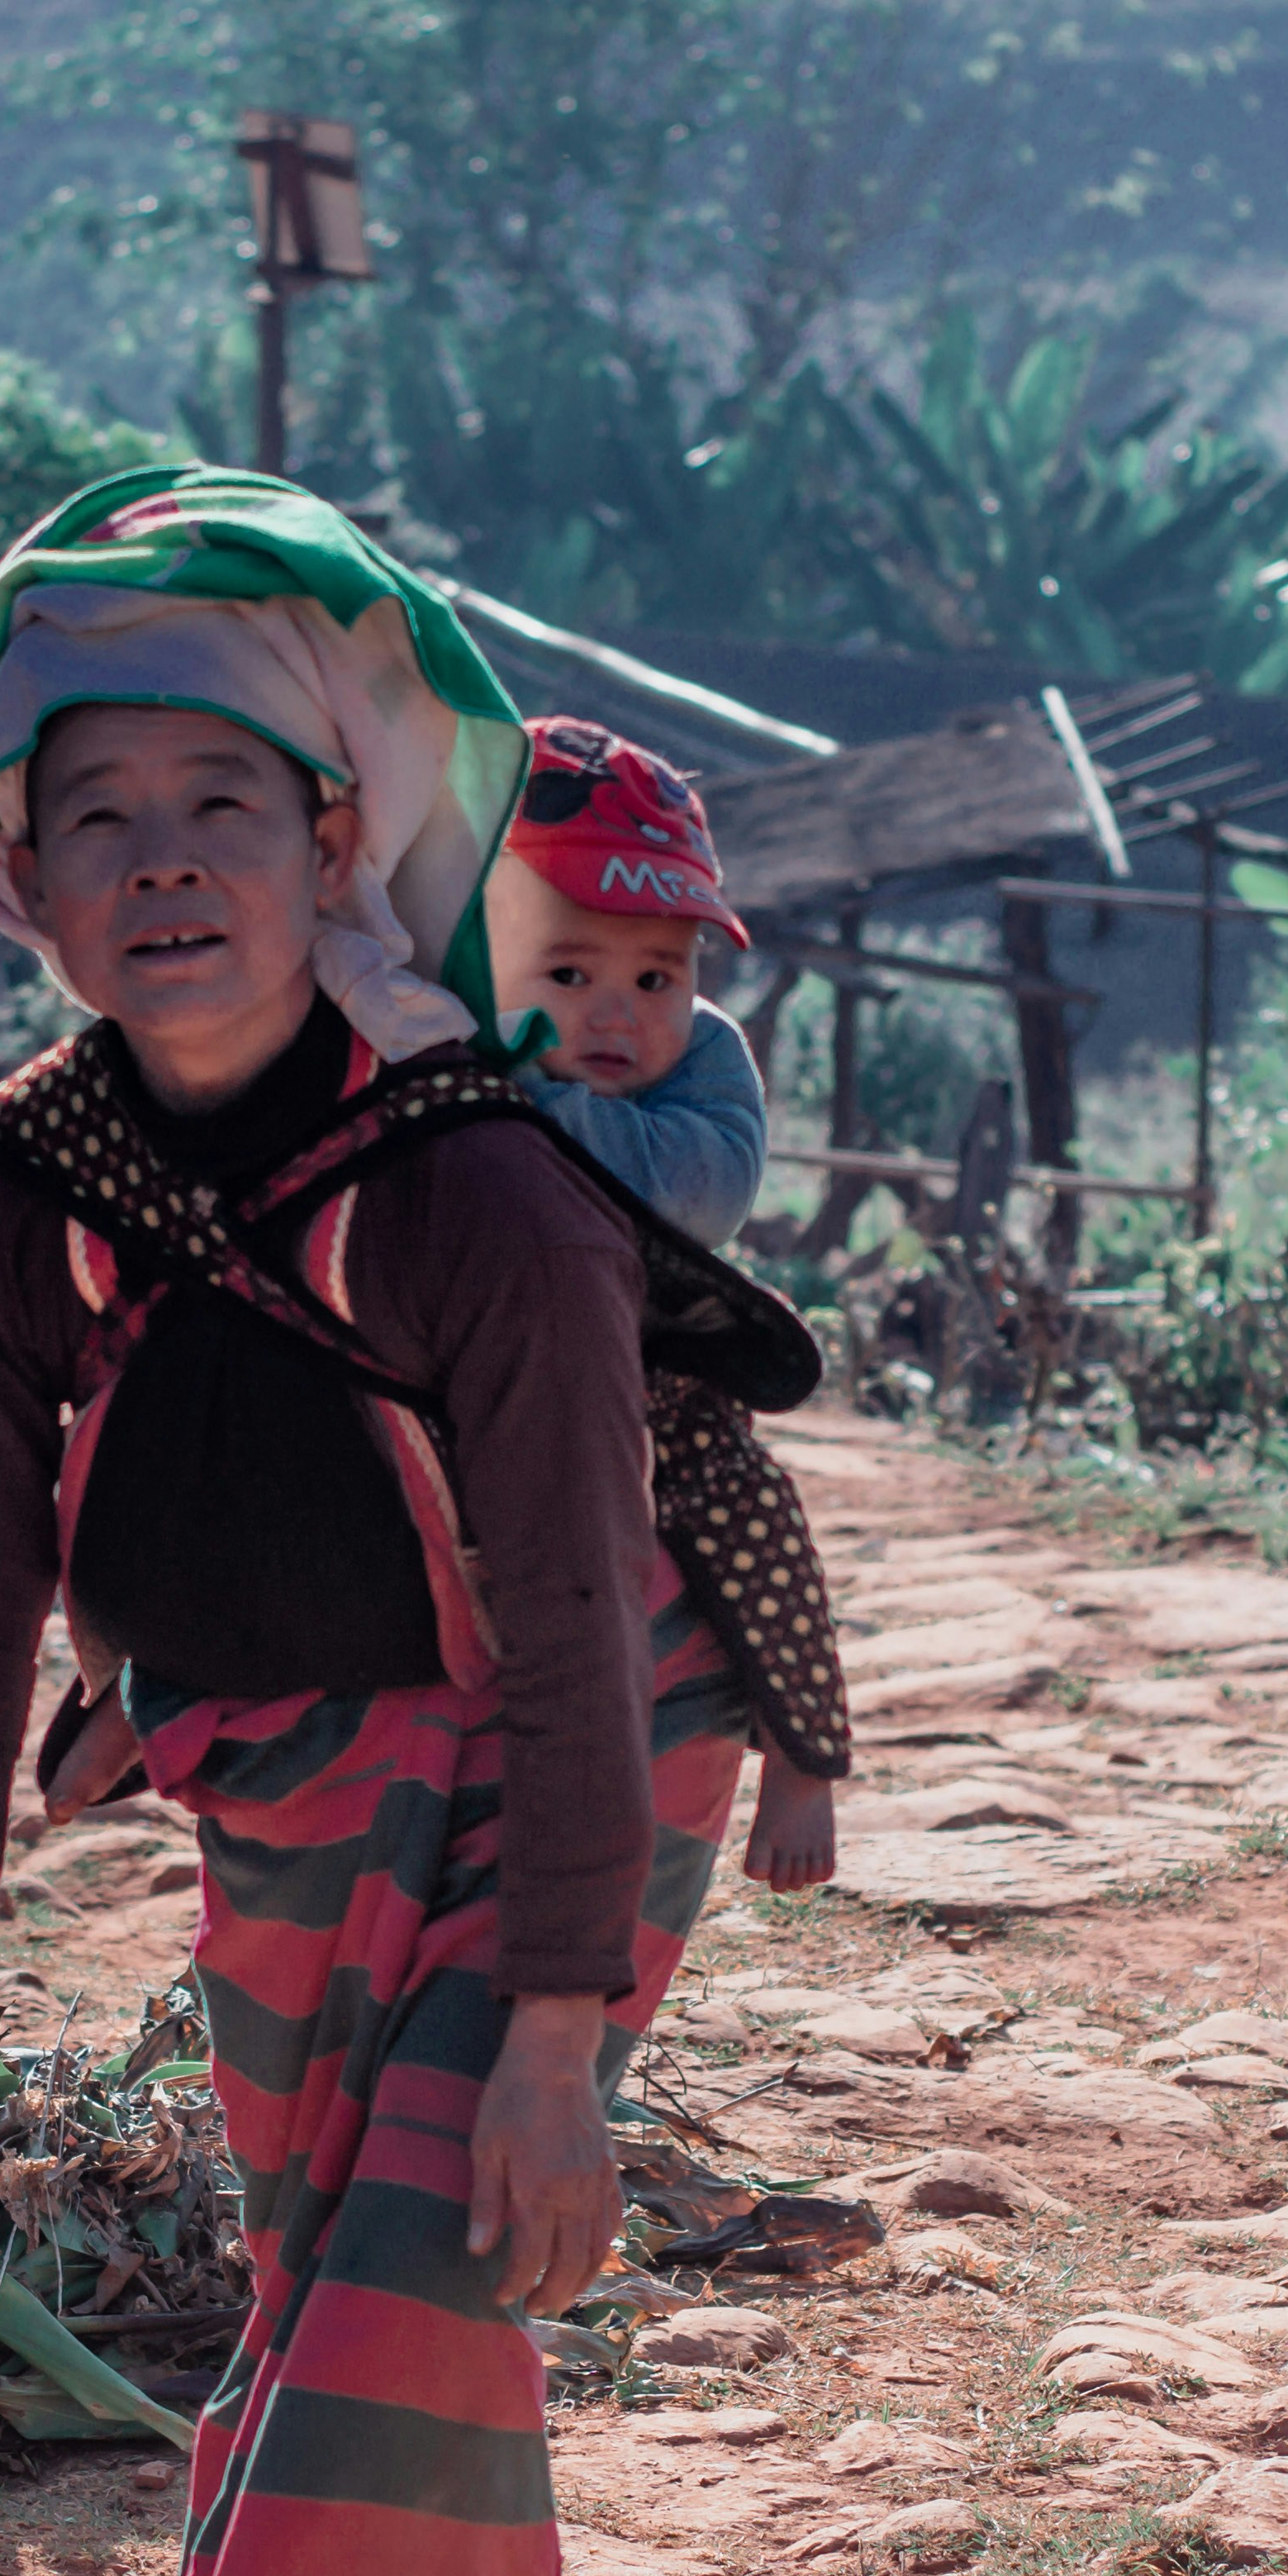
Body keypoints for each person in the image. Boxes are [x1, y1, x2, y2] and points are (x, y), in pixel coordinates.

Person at [0, 465, 844, 2576]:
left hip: (587, 1733)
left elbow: (576, 1615)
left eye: (222, 802)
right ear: (21, 879)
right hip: (275, 1767)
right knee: (320, 2255)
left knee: (431, 2238)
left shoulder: (482, 1191)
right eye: (96, 816)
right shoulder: (8, 1200)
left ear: (327, 842)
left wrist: (558, 2032)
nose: (161, 860)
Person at [486, 713, 839, 1893]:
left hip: (653, 1381)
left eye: (655, 978)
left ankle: (801, 1753)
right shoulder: (418, 1027)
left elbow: (700, 1190)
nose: (616, 1012)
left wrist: (518, 1103)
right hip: (469, 1369)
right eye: (568, 973)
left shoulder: (709, 1058)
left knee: (751, 1519)